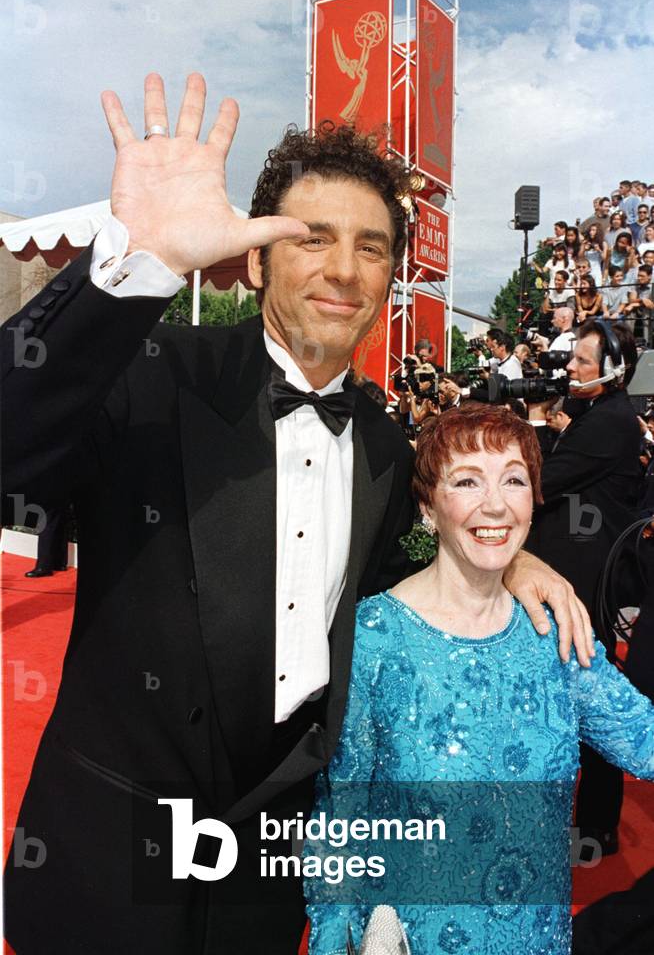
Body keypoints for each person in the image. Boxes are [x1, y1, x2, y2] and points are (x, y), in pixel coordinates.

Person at [2, 73, 592, 955]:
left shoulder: (390, 447)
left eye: (371, 247)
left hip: (268, 870)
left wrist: (505, 561)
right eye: (312, 238)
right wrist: (140, 264)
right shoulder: (153, 369)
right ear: (259, 255)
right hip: (109, 848)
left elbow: (383, 582)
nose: (342, 270)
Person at [305, 404, 654, 955]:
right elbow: (340, 812)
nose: (495, 503)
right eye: (467, 480)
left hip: (539, 940)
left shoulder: (552, 633)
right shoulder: (373, 634)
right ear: (428, 506)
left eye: (513, 479)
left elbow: (644, 739)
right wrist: (336, 940)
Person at [527, 321, 644, 857]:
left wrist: (534, 425)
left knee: (589, 702)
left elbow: (541, 483)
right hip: (571, 578)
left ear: (615, 369)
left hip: (585, 585)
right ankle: (591, 822)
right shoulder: (598, 414)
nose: (569, 367)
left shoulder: (610, 422)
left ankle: (596, 827)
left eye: (581, 360)